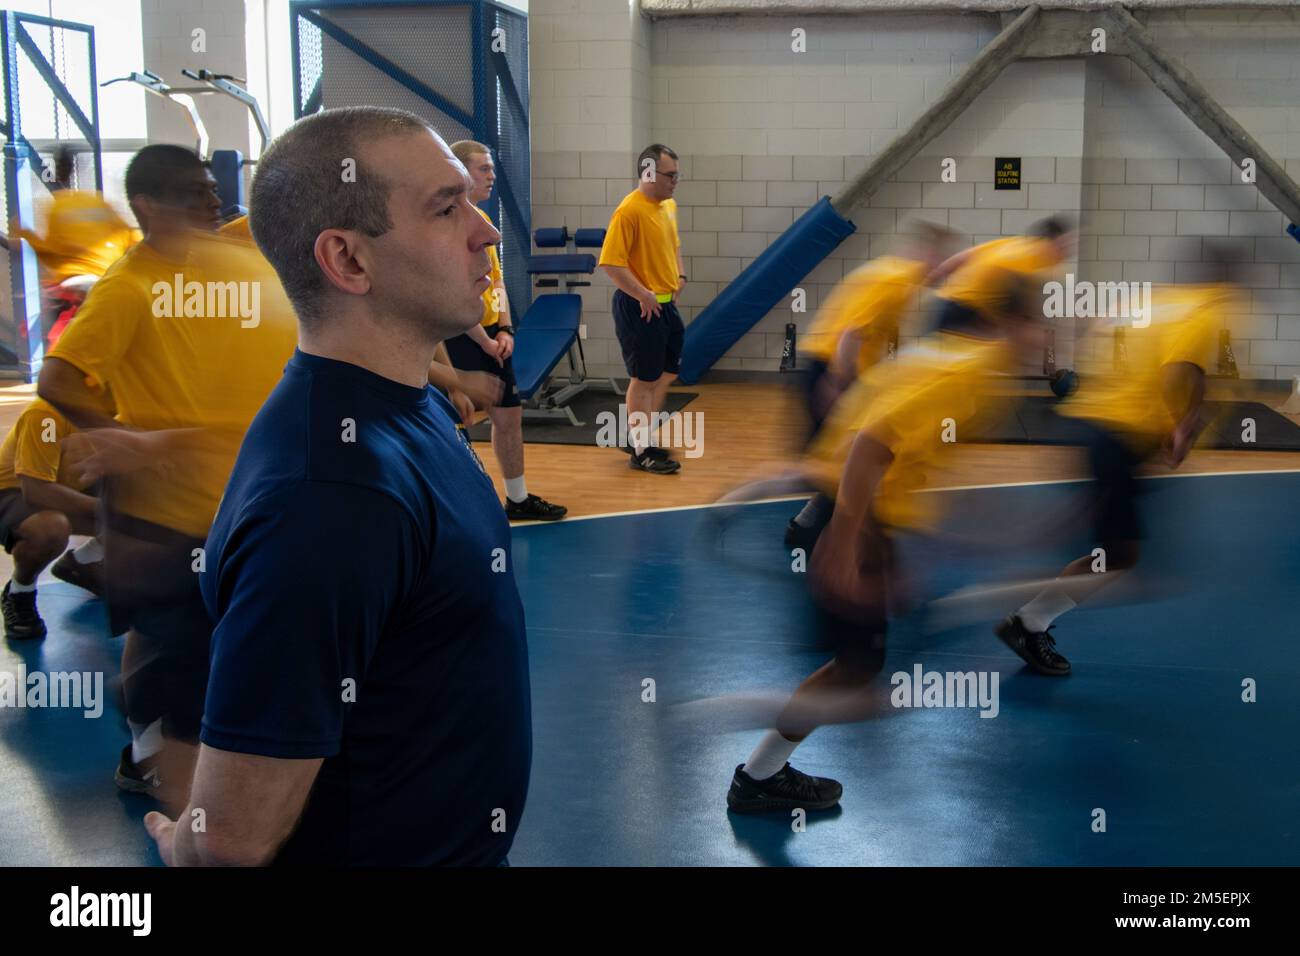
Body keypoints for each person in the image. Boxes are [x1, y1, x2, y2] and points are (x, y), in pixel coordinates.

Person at [143, 107, 531, 866]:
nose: (485, 231)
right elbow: (229, 841)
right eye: (446, 208)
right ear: (348, 262)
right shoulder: (330, 496)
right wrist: (179, 842)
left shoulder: (406, 404)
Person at [37, 144, 298, 807]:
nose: (211, 200)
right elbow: (58, 377)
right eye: (192, 192)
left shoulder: (232, 262)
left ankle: (192, 757)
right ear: (149, 207)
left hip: (245, 501)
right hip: (165, 513)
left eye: (211, 188)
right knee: (168, 650)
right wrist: (124, 439)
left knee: (231, 645)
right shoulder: (128, 288)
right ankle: (152, 762)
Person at [727, 278, 1045, 813]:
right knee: (856, 669)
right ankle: (753, 765)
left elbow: (890, 439)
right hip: (859, 509)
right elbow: (872, 445)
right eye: (1038, 320)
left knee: (858, 664)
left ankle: (761, 768)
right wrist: (846, 541)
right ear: (1010, 324)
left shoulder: (947, 354)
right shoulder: (965, 374)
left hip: (861, 506)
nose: (1046, 333)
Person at [993, 278, 1233, 675]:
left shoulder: (1154, 303)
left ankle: (1032, 613)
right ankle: (1027, 622)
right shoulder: (1203, 311)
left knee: (1114, 550)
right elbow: (1182, 369)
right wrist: (1183, 428)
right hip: (1115, 441)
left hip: (1096, 429)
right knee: (1118, 555)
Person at [787, 223, 958, 551]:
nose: (942, 270)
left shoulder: (900, 278)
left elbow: (879, 336)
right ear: (928, 253)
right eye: (941, 260)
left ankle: (816, 525)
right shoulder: (896, 280)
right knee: (844, 457)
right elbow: (853, 332)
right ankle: (809, 531)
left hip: (839, 368)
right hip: (830, 367)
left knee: (844, 455)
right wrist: (836, 382)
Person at [441, 140, 565, 521]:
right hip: (461, 337)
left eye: (492, 168)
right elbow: (452, 297)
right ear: (461, 172)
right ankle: (457, 508)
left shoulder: (484, 223)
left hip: (494, 336)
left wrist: (506, 330)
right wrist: (484, 339)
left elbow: (496, 284)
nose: (492, 175)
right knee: (454, 425)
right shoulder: (448, 229)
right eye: (484, 168)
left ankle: (517, 498)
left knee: (509, 417)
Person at [599, 143, 687, 474]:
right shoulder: (629, 211)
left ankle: (640, 435)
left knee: (667, 373)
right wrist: (642, 294)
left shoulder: (668, 206)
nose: (675, 181)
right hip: (639, 307)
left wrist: (679, 274)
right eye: (670, 175)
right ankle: (641, 451)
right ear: (649, 172)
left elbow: (675, 245)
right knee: (644, 379)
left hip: (665, 306)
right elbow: (610, 263)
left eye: (678, 175)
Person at [7, 145, 140, 345]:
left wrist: (22, 235)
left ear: (59, 170)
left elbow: (51, 250)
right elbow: (131, 239)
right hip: (103, 281)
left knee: (55, 339)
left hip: (71, 282)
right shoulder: (99, 202)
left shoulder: (58, 206)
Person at [0, 397, 103, 639]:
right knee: (50, 529)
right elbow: (36, 489)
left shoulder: (124, 408)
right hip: (14, 491)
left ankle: (83, 563)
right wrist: (106, 510)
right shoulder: (46, 415)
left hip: (67, 485)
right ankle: (19, 592)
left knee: (148, 504)